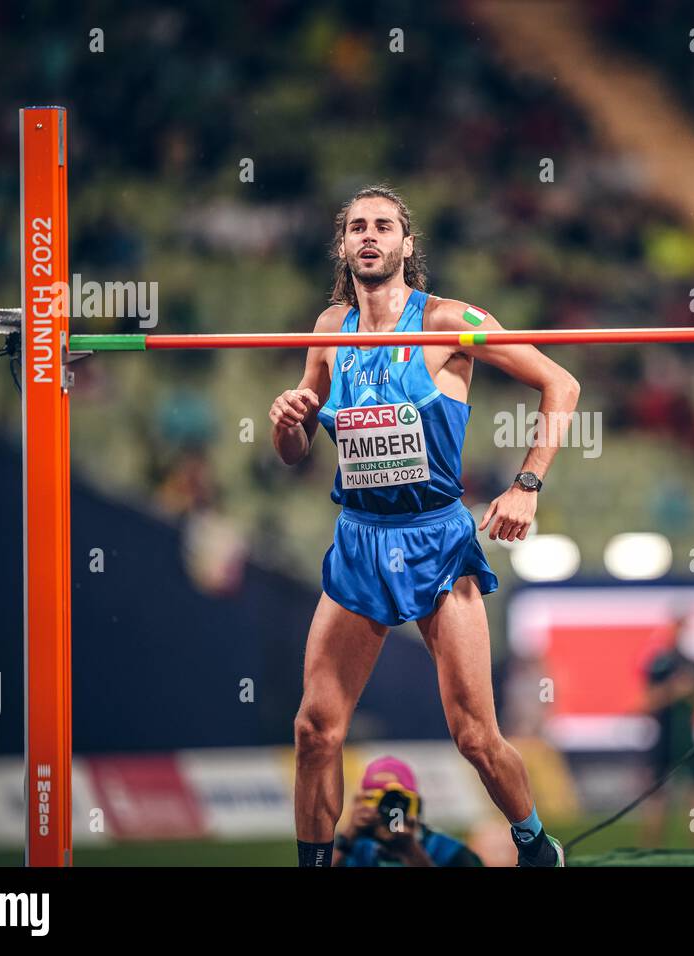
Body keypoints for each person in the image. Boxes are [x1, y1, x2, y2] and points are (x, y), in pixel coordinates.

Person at [270, 185, 579, 867]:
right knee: (315, 731)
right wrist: (289, 425)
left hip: (436, 541)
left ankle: (535, 848)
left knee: (475, 736)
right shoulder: (329, 329)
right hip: (358, 539)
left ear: (408, 245)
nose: (370, 236)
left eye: (384, 226)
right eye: (357, 227)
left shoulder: (447, 321)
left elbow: (562, 385)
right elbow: (296, 455)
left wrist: (527, 484)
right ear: (343, 246)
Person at [332, 756, 483, 867]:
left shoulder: (449, 852)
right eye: (376, 799)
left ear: (416, 804)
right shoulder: (355, 851)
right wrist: (348, 836)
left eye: (396, 801)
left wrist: (410, 851)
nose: (389, 809)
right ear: (360, 803)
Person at [639, 616, 694, 846]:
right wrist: (674, 691)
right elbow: (648, 702)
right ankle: (651, 848)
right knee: (658, 795)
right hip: (664, 736)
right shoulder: (660, 663)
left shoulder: (692, 663)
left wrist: (693, 693)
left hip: (687, 736)